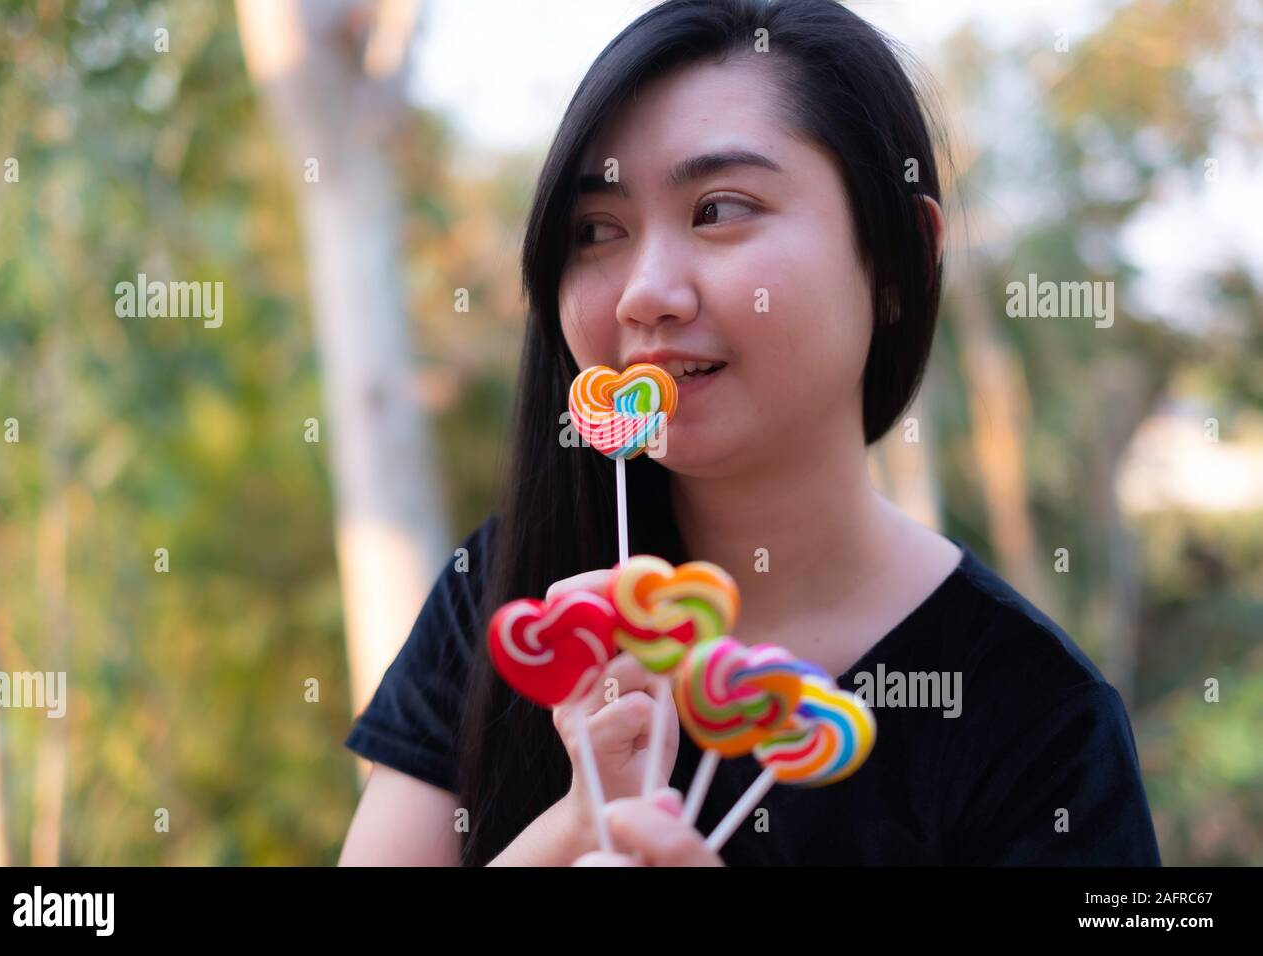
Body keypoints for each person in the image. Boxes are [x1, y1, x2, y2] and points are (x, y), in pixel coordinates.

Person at [338, 0, 1161, 867]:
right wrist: (573, 831)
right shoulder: (519, 603)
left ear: (902, 258)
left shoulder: (1037, 720)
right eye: (597, 230)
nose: (644, 293)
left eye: (721, 208)